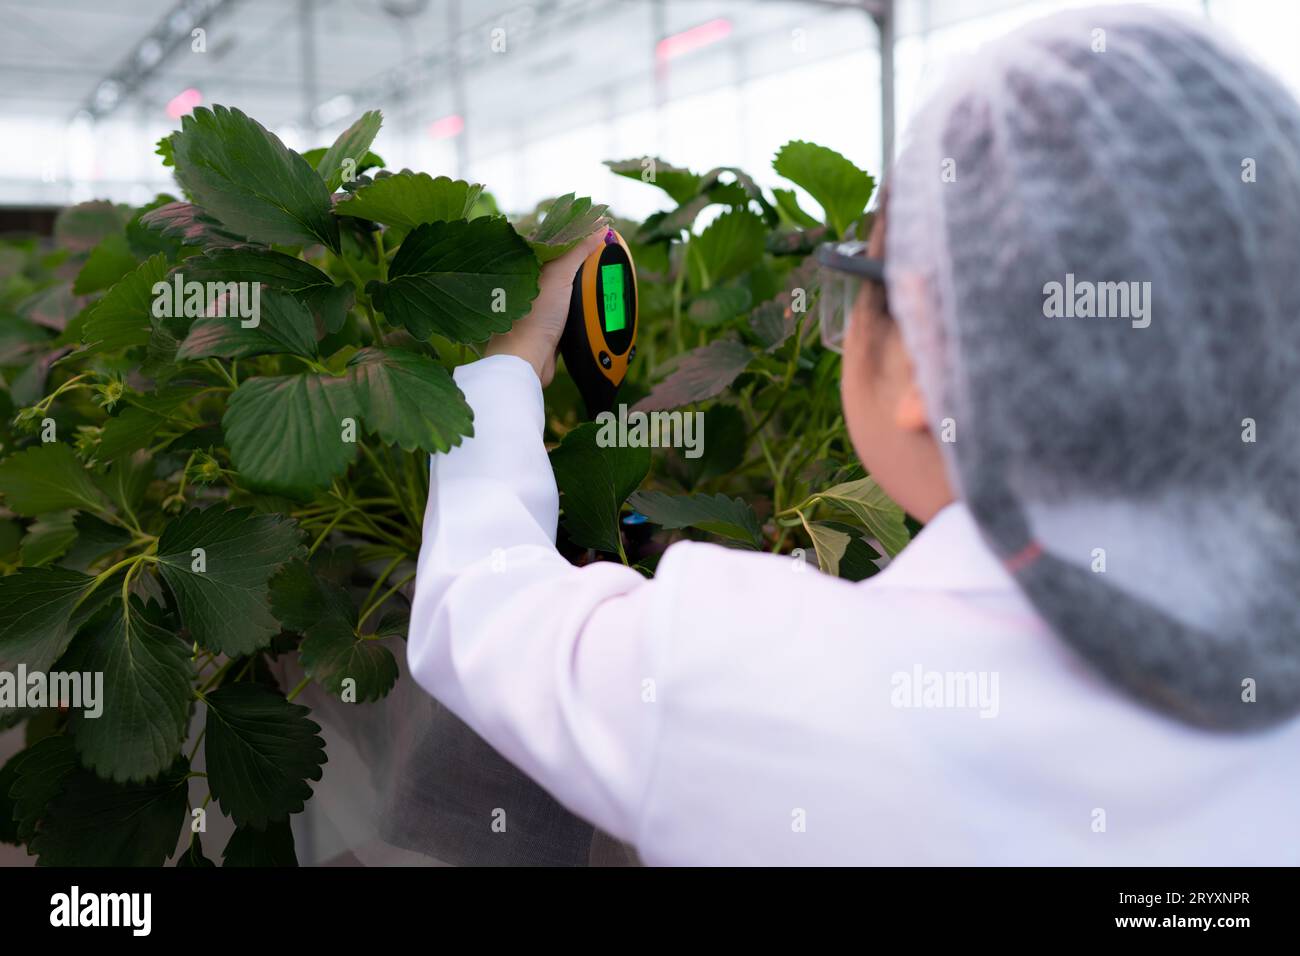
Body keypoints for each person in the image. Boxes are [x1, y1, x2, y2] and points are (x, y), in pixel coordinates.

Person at [406, 5, 1300, 865]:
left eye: (860, 279)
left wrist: (508, 365)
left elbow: (484, 610)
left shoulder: (772, 684)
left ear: (923, 360)